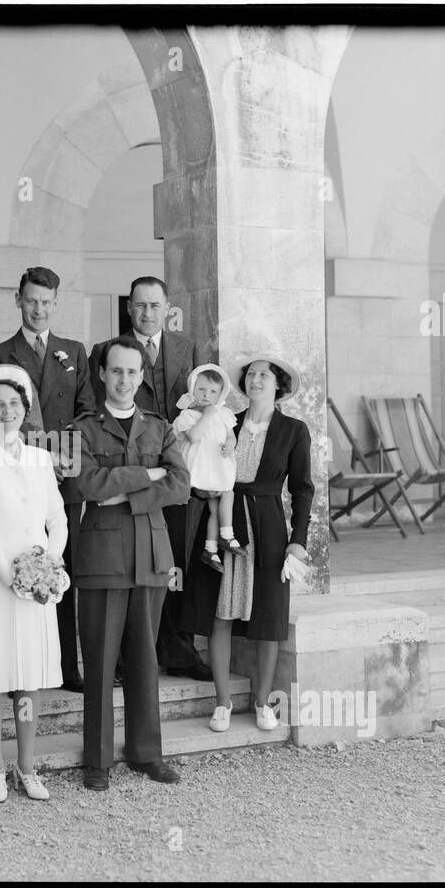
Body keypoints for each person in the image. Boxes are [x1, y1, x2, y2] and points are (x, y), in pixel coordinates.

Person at [66, 334, 190, 791]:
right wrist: (148, 473)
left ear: (142, 376)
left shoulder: (159, 426)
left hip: (152, 553)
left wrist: (129, 493)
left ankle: (145, 753)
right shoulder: (81, 429)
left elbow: (181, 484)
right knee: (99, 663)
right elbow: (89, 486)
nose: (123, 379)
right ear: (101, 374)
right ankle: (97, 760)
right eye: (115, 370)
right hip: (102, 556)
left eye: (132, 372)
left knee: (144, 659)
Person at [177, 354, 313, 734]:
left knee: (268, 616)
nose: (255, 379)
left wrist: (297, 541)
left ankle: (262, 702)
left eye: (263, 375)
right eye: (251, 374)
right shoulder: (226, 419)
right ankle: (222, 703)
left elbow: (302, 490)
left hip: (268, 524)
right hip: (224, 515)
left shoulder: (293, 430)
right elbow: (198, 457)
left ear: (278, 385)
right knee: (220, 611)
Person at [89, 277, 209, 681]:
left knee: (174, 563)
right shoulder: (107, 353)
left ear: (166, 307)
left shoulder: (185, 348)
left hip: (170, 472)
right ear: (129, 308)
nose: (147, 313)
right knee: (128, 573)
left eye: (155, 306)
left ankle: (178, 649)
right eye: (140, 306)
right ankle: (128, 660)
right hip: (128, 466)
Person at [0, 266, 94, 692]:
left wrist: (65, 455)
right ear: (18, 300)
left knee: (58, 561)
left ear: (55, 303)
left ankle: (65, 667)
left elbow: (86, 410)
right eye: (31, 301)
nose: (39, 309)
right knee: (17, 558)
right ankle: (15, 668)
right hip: (18, 473)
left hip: (64, 476)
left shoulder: (73, 351)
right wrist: (40, 454)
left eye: (46, 302)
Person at [0, 365, 67, 804]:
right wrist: (13, 575)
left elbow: (56, 518)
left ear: (26, 410)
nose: (7, 411)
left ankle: (26, 765)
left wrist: (49, 563)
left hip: (38, 584)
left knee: (28, 677)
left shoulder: (41, 458)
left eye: (15, 404)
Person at [172, 364, 239, 570]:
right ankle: (226, 535)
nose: (206, 395)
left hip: (218, 468)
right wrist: (208, 414)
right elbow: (193, 436)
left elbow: (231, 436)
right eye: (201, 389)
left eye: (212, 391)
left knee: (217, 506)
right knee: (222, 497)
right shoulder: (187, 416)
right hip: (200, 471)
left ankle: (211, 549)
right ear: (192, 389)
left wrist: (229, 445)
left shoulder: (224, 414)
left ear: (220, 395)